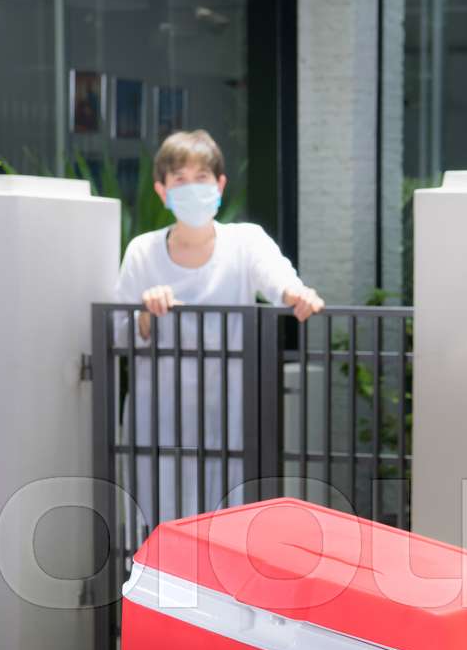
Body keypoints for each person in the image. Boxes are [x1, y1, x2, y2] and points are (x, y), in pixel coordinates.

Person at [111, 130, 323, 529]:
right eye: (179, 180)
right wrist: (144, 313)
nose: (192, 188)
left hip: (227, 411)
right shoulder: (142, 250)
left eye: (202, 178)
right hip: (157, 415)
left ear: (220, 185)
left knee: (225, 521)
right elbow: (117, 334)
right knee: (157, 516)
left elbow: (280, 281)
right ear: (162, 190)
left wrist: (297, 294)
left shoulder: (245, 242)